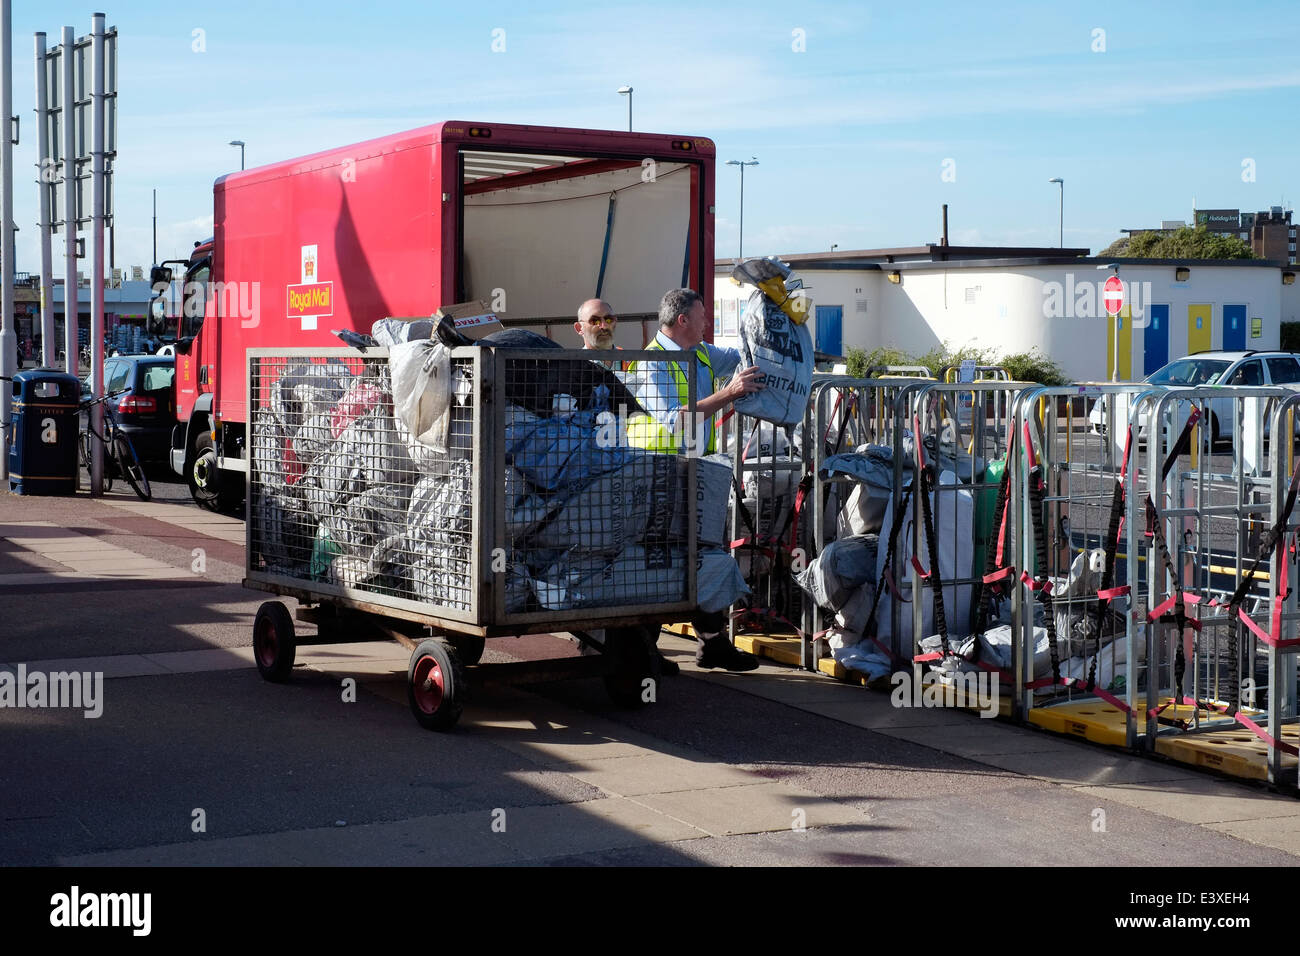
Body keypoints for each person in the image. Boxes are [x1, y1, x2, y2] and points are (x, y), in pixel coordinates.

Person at [628, 288, 766, 672]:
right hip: (657, 474)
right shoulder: (650, 363)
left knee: (706, 553)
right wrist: (730, 392)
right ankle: (642, 649)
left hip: (696, 472)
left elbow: (745, 357)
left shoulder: (703, 353)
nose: (708, 323)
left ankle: (712, 643)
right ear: (683, 320)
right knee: (659, 556)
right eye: (703, 316)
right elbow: (676, 419)